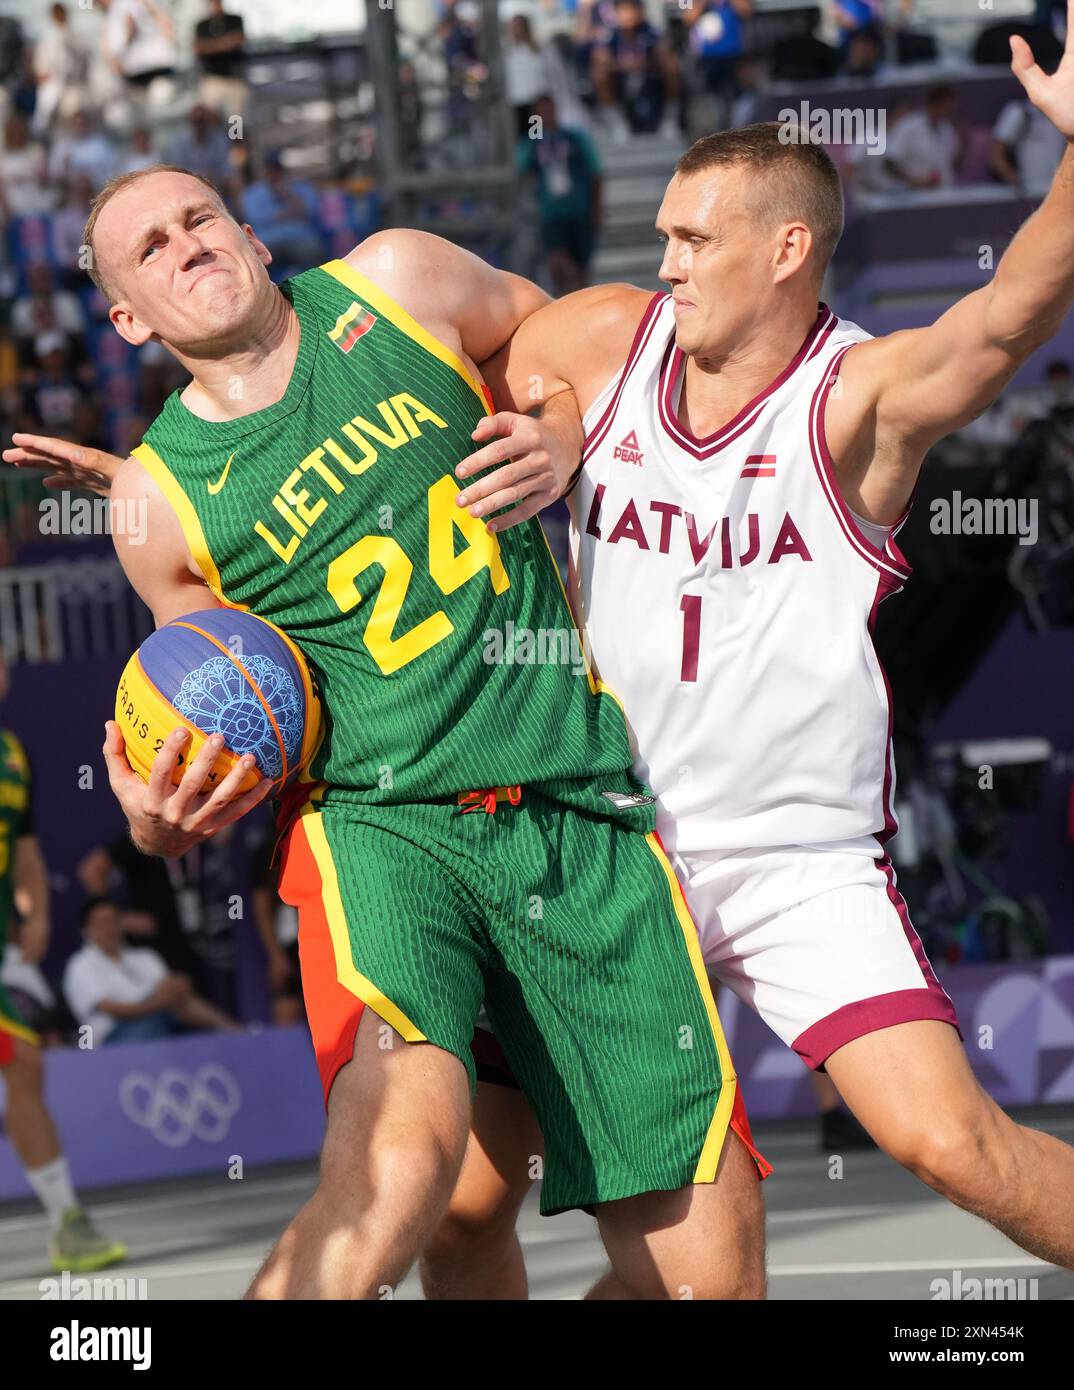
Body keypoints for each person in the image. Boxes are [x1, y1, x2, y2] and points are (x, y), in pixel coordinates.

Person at [28, 162, 769, 1301]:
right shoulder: (158, 505)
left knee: (696, 1280)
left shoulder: (396, 281)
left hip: (570, 797)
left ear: (254, 238)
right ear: (125, 317)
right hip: (381, 828)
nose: (186, 244)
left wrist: (561, 431)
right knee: (406, 1172)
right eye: (149, 250)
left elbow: (564, 343)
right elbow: (213, 711)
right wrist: (161, 817)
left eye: (201, 218)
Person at [421, 25, 1074, 1291]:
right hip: (605, 844)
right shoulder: (607, 342)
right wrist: (548, 424)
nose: (663, 262)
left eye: (692, 240)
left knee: (955, 1144)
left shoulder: (855, 400)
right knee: (475, 1203)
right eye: (662, 234)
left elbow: (1006, 318)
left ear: (787, 249)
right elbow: (418, 368)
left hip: (792, 853)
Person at [0, 662, 126, 1272]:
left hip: (4, 946)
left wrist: (39, 914)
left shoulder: (14, 756)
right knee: (21, 1062)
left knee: (24, 1065)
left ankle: (67, 1224)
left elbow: (24, 850)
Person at [63, 896, 240, 1044]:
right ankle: (236, 1032)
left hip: (163, 1020)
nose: (109, 928)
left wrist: (177, 987)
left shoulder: (145, 956)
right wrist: (157, 1003)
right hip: (114, 1037)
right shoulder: (79, 965)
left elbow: (174, 991)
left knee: (181, 1002)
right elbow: (111, 1009)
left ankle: (236, 1034)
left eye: (113, 921)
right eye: (101, 923)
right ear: (86, 930)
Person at [517, 93, 602, 297]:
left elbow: (595, 171)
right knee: (557, 261)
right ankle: (562, 298)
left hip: (579, 209)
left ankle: (584, 299)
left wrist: (596, 206)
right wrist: (535, 132)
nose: (545, 114)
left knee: (581, 263)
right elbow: (521, 165)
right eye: (539, 112)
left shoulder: (574, 137)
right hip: (552, 213)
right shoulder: (536, 142)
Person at [885, 85, 965, 189]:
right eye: (948, 104)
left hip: (944, 191)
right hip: (913, 194)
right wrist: (913, 181)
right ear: (936, 103)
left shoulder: (947, 128)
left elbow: (954, 162)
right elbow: (889, 162)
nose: (952, 108)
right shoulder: (908, 126)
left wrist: (963, 144)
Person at [991, 95, 1067, 196]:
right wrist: (1016, 181)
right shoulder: (1020, 112)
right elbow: (996, 153)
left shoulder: (1065, 112)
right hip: (1030, 192)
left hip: (1061, 193)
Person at [31, 4, 89, 138]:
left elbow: (84, 67)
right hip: (54, 91)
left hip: (73, 90)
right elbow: (41, 72)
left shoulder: (76, 38)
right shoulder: (46, 39)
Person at [194, 0, 248, 120]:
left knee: (236, 123)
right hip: (213, 79)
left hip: (235, 79)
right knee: (210, 120)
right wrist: (225, 43)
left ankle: (236, 138)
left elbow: (239, 39)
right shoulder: (202, 25)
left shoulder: (234, 20)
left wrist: (211, 46)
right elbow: (199, 48)